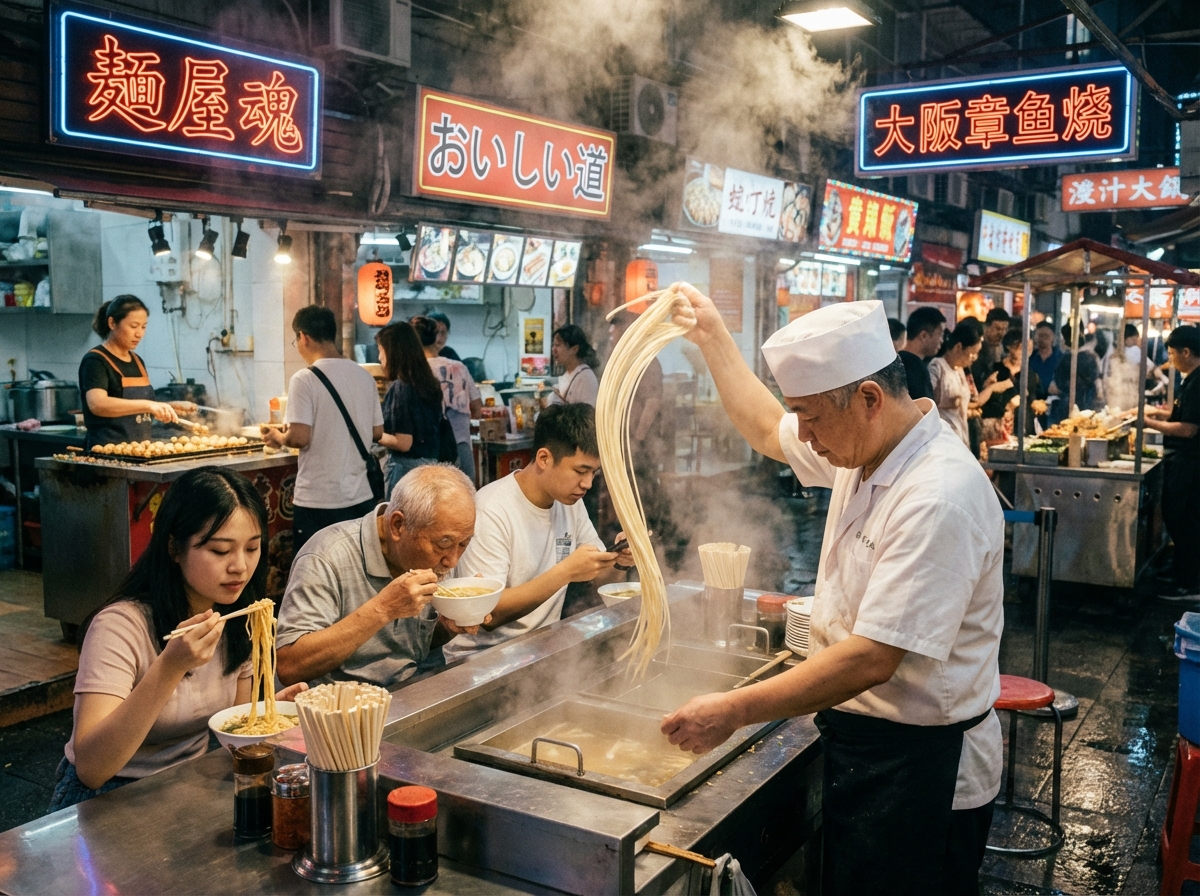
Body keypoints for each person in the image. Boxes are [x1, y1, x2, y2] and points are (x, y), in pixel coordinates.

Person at [660, 288, 1003, 896]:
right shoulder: (864, 447)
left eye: (813, 418)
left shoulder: (938, 493)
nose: (805, 435)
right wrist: (713, 334)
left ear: (869, 398)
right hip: (868, 741)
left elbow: (874, 656)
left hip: (923, 764)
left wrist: (736, 709)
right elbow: (768, 426)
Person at [49, 467, 308, 811]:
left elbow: (235, 730)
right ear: (174, 547)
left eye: (252, 548)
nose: (240, 567)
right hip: (105, 797)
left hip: (185, 784)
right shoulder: (120, 626)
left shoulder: (240, 618)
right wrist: (171, 665)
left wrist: (268, 712)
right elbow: (92, 767)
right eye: (220, 551)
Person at [442, 403, 634, 663]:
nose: (588, 484)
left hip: (542, 650)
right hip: (481, 661)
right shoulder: (491, 510)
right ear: (544, 458)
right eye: (580, 471)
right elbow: (487, 615)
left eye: (594, 473)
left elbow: (598, 578)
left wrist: (619, 560)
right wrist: (565, 572)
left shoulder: (570, 503)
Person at [276, 464, 481, 688]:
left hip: (414, 692)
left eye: (463, 544)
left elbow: (412, 650)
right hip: (344, 709)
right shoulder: (326, 556)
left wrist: (447, 628)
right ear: (398, 525)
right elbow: (289, 666)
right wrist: (383, 609)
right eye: (444, 543)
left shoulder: (433, 554)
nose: (452, 561)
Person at [261, 306, 383, 551]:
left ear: (303, 337)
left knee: (313, 572)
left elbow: (299, 437)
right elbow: (377, 432)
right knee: (355, 568)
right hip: (360, 497)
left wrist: (277, 436)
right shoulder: (364, 376)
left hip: (319, 501)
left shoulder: (304, 379)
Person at [79, 296, 192, 449]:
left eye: (143, 327)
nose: (139, 334)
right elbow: (98, 404)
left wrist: (165, 407)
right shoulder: (96, 361)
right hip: (106, 455)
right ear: (112, 323)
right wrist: (148, 405)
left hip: (138, 453)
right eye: (133, 326)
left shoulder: (137, 361)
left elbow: (137, 410)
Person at [1145, 325, 1200, 601]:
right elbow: (1178, 414)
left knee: (1184, 519)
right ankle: (1181, 571)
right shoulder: (1190, 379)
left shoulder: (1198, 382)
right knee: (1175, 515)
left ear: (1186, 352)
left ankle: (1190, 584)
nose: (1170, 358)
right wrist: (1152, 412)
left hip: (1192, 464)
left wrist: (1148, 423)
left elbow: (1189, 428)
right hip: (1184, 462)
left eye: (1171, 352)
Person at [411, 315, 482, 481]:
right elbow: (477, 405)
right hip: (462, 444)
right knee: (466, 494)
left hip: (429, 450)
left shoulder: (415, 370)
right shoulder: (459, 366)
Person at [376, 322, 444, 495]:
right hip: (430, 467)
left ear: (393, 352)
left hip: (405, 470)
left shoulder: (401, 387)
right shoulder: (428, 382)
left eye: (381, 351)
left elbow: (403, 442)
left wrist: (373, 434)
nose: (379, 358)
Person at [928, 320, 984, 446]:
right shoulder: (937, 367)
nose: (974, 358)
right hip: (943, 442)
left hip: (961, 439)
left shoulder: (960, 370)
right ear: (958, 347)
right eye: (972, 354)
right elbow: (925, 401)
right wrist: (943, 403)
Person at [979, 330, 1038, 442]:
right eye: (1021, 348)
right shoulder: (995, 370)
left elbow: (1035, 399)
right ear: (1010, 347)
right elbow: (986, 403)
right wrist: (1008, 406)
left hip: (1024, 428)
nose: (1027, 352)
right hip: (998, 430)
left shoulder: (1031, 374)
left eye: (1030, 348)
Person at [1048, 323, 1102, 424]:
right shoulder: (1091, 357)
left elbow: (1057, 385)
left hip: (1067, 406)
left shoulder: (1067, 359)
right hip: (1088, 405)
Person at [899, 306, 946, 401]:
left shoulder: (896, 361)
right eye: (940, 334)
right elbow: (924, 412)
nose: (942, 340)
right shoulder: (917, 368)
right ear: (924, 336)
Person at [546, 325, 600, 406]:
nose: (553, 350)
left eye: (558, 345)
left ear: (574, 349)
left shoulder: (586, 378)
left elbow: (587, 415)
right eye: (553, 345)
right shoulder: (568, 374)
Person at [970, 308, 1011, 390]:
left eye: (1004, 329)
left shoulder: (1004, 349)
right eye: (998, 329)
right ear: (986, 326)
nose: (1001, 334)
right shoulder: (975, 348)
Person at [1028, 322, 1061, 401]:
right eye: (1040, 335)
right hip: (1032, 399)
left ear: (1053, 337)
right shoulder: (1029, 357)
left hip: (1055, 401)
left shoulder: (1061, 358)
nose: (1043, 339)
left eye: (1046, 336)